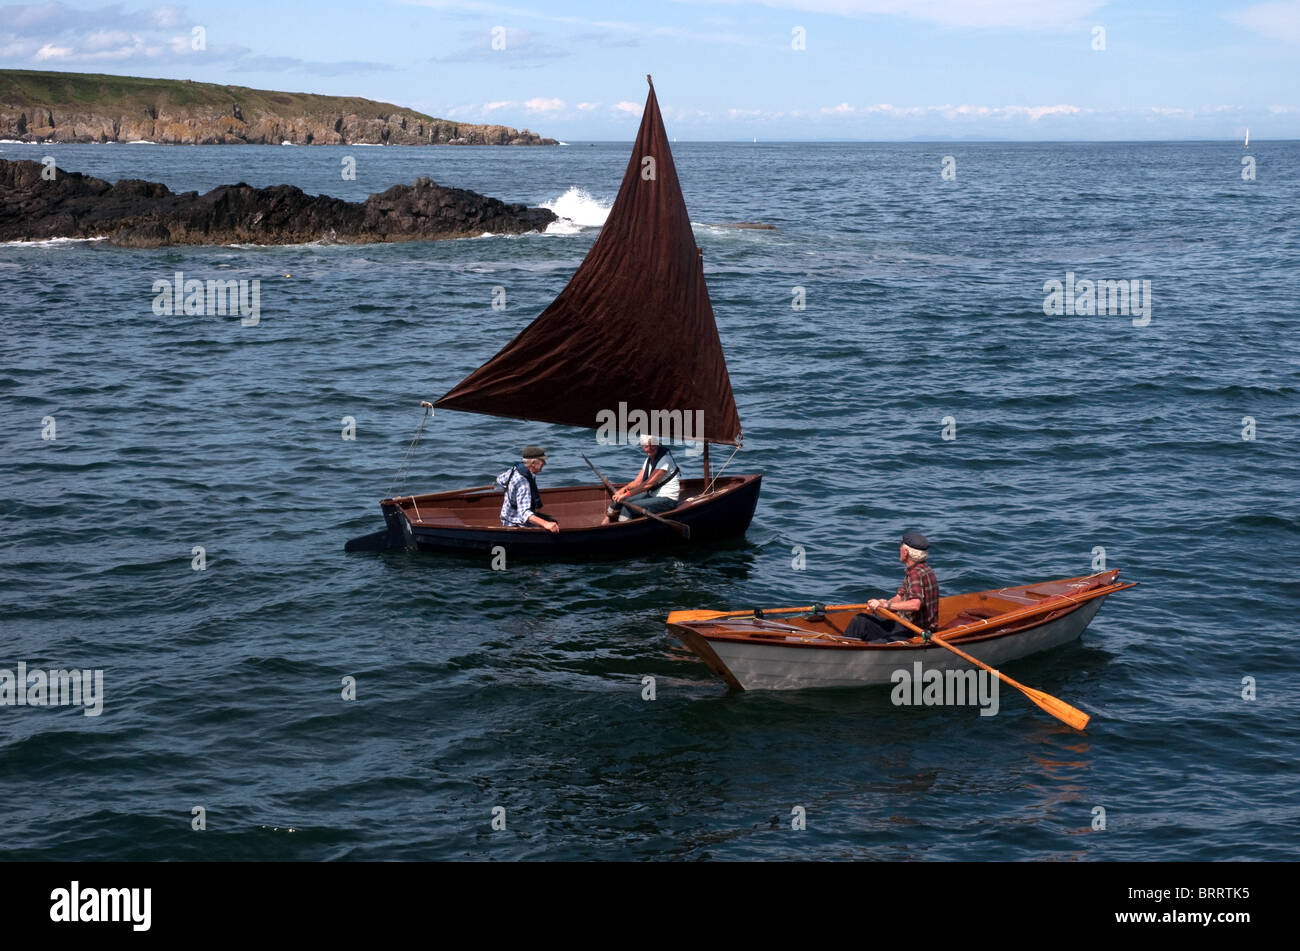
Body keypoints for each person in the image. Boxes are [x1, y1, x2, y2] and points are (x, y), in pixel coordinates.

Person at [845, 531, 940, 642]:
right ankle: (844, 646)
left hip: (916, 632)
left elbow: (915, 604)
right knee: (860, 620)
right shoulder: (921, 569)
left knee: (875, 645)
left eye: (900, 546)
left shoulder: (915, 574)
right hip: (904, 625)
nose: (899, 549)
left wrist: (887, 605)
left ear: (906, 552)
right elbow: (900, 596)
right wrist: (881, 603)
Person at [603, 434, 681, 523]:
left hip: (668, 499)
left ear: (657, 444)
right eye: (647, 446)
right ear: (643, 447)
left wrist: (625, 495)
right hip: (652, 494)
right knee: (618, 501)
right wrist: (621, 491)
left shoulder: (665, 459)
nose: (650, 448)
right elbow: (637, 482)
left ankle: (621, 530)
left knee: (629, 507)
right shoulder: (648, 460)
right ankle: (606, 521)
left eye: (653, 445)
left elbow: (647, 485)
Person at [496, 446, 559, 533]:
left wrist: (511, 492)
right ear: (533, 463)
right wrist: (546, 524)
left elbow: (500, 480)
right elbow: (524, 514)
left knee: (550, 520)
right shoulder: (523, 483)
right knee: (553, 523)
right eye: (542, 461)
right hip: (514, 522)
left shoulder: (515, 469)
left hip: (506, 516)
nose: (545, 463)